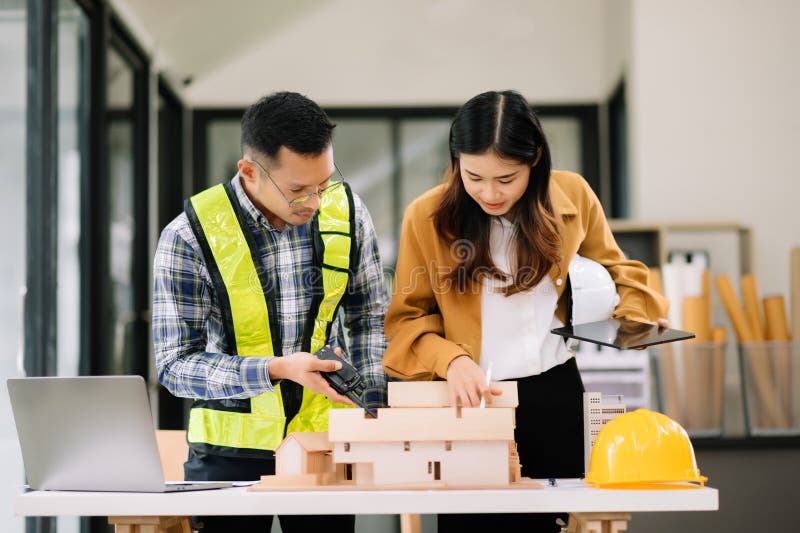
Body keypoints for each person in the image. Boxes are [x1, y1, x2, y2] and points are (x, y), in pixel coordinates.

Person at [382, 90, 668, 532]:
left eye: (506, 178)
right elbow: (407, 320)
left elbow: (619, 269)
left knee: (554, 522)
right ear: (456, 161)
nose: (489, 192)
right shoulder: (426, 216)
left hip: (556, 394)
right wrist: (451, 360)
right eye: (473, 176)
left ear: (534, 160)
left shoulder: (572, 195)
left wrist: (636, 315)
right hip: (472, 400)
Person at [153, 91, 388, 532]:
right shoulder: (189, 236)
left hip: (325, 445)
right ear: (249, 172)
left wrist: (372, 407)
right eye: (298, 189)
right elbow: (174, 365)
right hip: (227, 457)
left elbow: (369, 317)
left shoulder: (348, 213)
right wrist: (277, 369)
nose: (315, 201)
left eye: (322, 183)